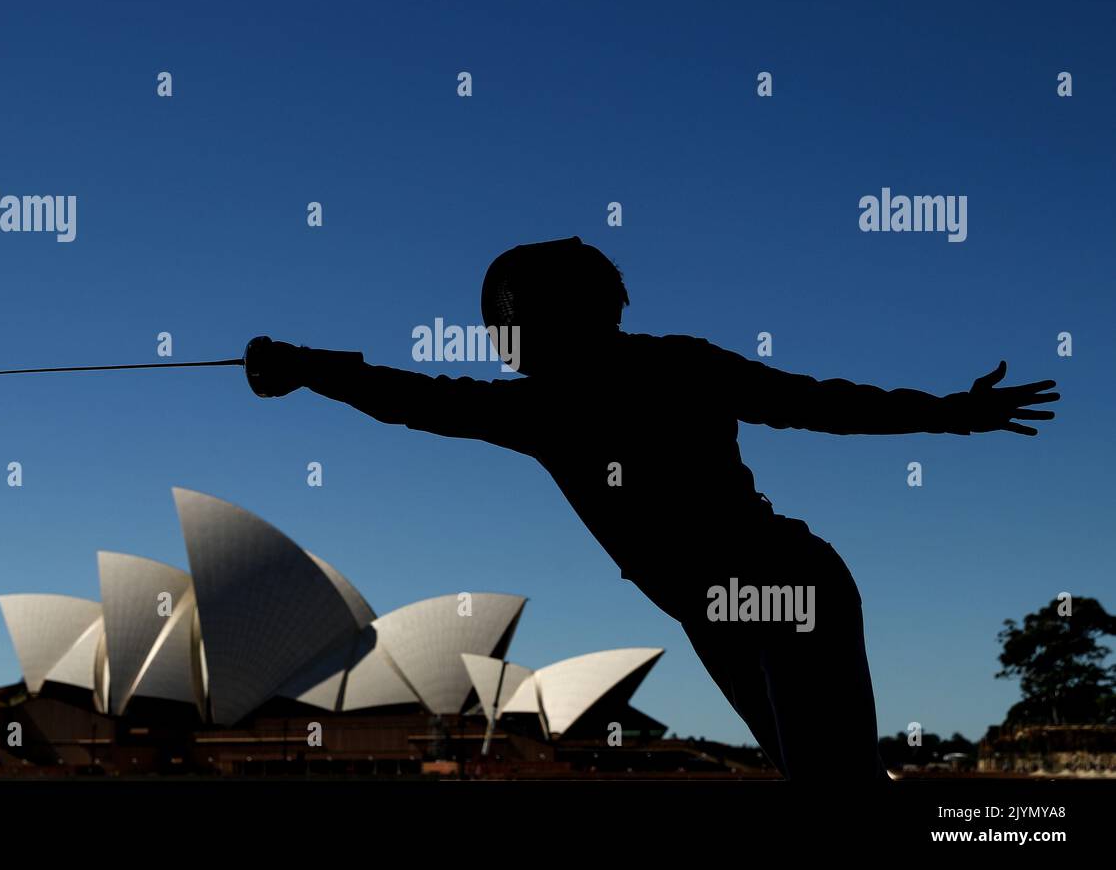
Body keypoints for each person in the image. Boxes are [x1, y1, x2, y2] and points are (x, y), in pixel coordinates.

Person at [242, 236, 1059, 779]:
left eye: (505, 317)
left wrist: (307, 365)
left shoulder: (556, 404)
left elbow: (407, 397)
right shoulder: (632, 379)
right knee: (822, 779)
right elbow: (824, 402)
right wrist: (948, 410)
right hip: (734, 604)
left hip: (780, 591)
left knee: (827, 784)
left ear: (528, 321)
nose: (497, 335)